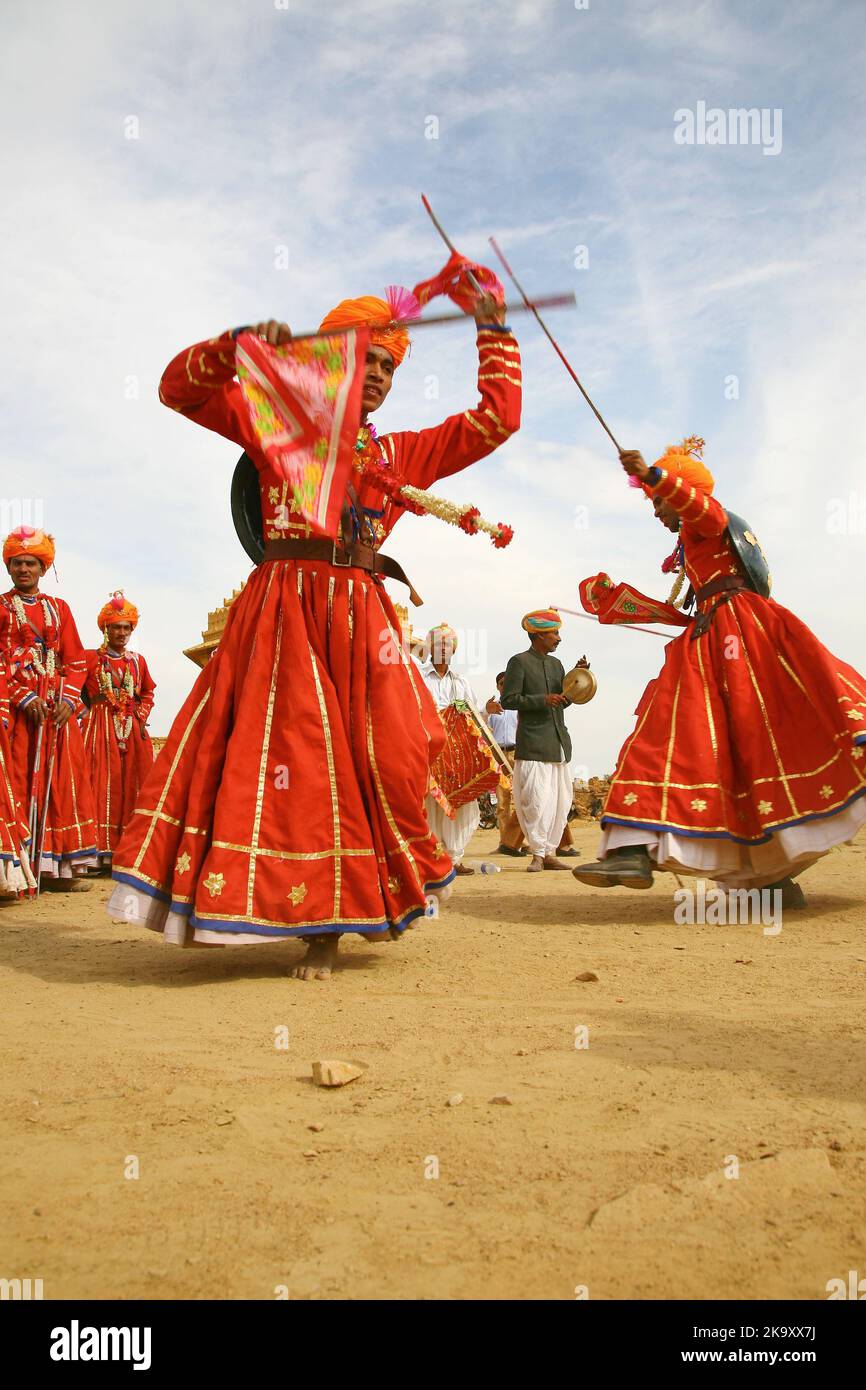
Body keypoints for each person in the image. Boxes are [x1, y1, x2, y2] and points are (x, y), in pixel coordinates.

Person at [109, 289, 521, 978]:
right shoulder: (278, 424)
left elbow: (495, 420)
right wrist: (235, 343)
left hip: (364, 619)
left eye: (391, 367)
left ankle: (369, 897)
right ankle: (320, 924)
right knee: (299, 762)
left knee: (394, 759)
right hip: (285, 612)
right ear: (330, 363)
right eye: (369, 361)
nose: (382, 378)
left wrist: (492, 328)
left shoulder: (400, 452)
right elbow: (178, 389)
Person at [573, 439, 866, 902]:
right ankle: (768, 878)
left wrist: (653, 475)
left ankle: (632, 848)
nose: (655, 512)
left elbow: (704, 512)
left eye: (658, 503)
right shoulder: (701, 540)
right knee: (733, 750)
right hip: (722, 632)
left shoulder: (709, 522)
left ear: (679, 494)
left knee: (674, 732)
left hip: (735, 635)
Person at [1, 527, 97, 888]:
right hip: (16, 710)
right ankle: (18, 869)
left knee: (61, 785)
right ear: (8, 567)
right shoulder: (1, 608)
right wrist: (22, 696)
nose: (23, 569)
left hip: (56, 710)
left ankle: (57, 869)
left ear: (43, 568)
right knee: (19, 781)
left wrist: (69, 701)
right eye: (16, 563)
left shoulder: (60, 609)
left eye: (30, 563)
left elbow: (75, 660)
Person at [501, 610, 585, 872]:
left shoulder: (557, 665)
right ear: (538, 635)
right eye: (554, 633)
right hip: (533, 743)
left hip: (558, 743)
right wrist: (542, 700)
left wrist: (578, 678)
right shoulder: (519, 662)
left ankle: (549, 852)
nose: (558, 639)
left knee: (559, 802)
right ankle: (536, 853)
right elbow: (509, 700)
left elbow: (564, 700)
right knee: (535, 801)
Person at [83, 592, 156, 871]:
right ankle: (96, 854)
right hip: (99, 727)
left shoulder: (138, 661)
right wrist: (85, 715)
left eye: (127, 628)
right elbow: (75, 688)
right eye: (116, 627)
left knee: (133, 784)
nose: (122, 633)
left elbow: (147, 692)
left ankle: (126, 853)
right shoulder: (91, 659)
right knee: (99, 783)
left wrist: (141, 714)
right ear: (106, 628)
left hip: (131, 727)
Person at [486, 670, 579, 858]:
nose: (505, 685)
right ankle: (512, 843)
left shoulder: (524, 703)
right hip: (498, 755)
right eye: (502, 683)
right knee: (506, 802)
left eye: (508, 681)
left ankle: (522, 843)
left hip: (523, 752)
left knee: (542, 796)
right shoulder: (494, 708)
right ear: (498, 686)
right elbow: (484, 730)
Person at [422, 624, 482, 875]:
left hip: (456, 753)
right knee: (430, 802)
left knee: (461, 802)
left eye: (448, 645)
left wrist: (488, 711)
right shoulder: (419, 678)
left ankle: (455, 858)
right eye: (439, 644)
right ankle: (434, 857)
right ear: (430, 649)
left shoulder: (461, 683)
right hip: (428, 750)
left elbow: (474, 714)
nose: (443, 648)